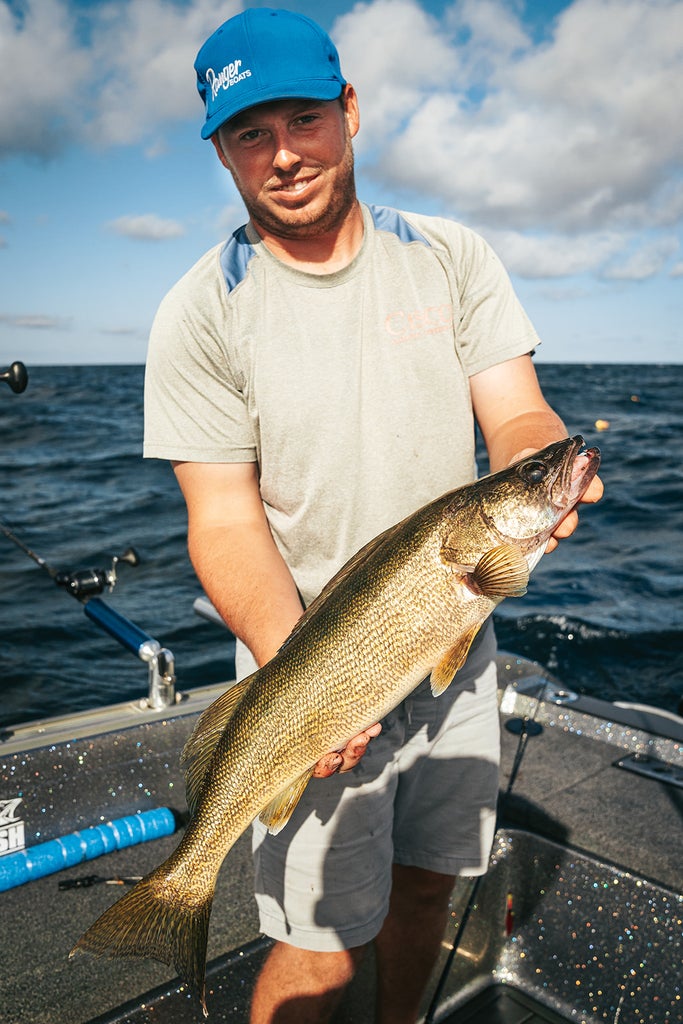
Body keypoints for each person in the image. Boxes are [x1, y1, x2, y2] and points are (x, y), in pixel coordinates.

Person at [143, 8, 603, 1023]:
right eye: (247, 135)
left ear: (350, 111)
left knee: (429, 883)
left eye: (301, 119)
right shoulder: (197, 311)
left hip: (453, 653)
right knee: (314, 949)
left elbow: (515, 408)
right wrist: (302, 672)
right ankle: (180, 891)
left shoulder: (449, 256)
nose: (282, 155)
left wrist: (542, 465)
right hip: (295, 669)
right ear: (219, 151)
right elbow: (220, 521)